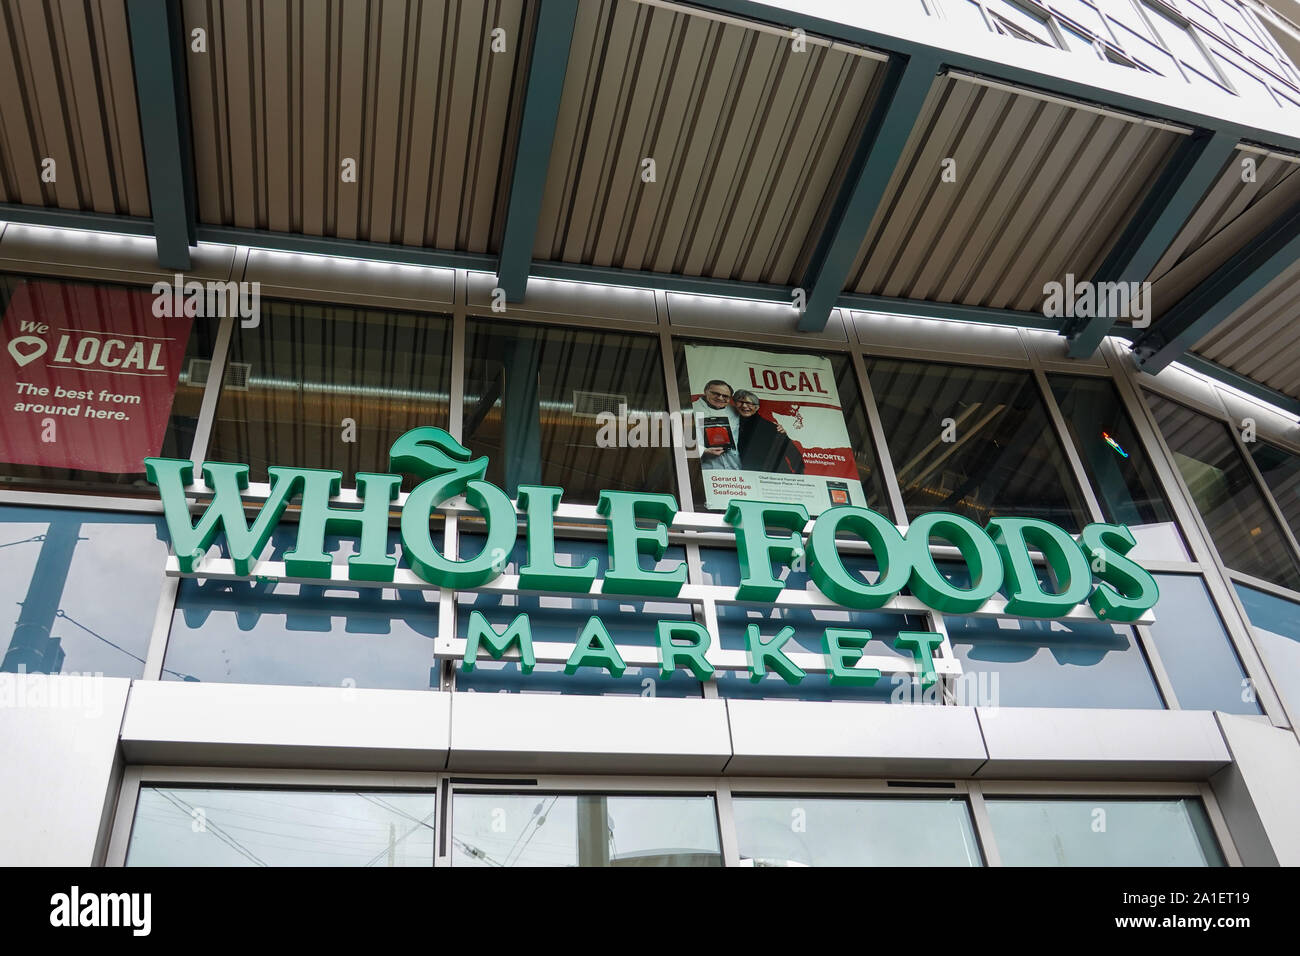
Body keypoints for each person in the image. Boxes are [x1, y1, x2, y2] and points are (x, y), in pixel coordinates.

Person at [733, 389, 805, 474]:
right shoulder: (732, 423)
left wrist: (799, 475)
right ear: (735, 404)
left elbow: (793, 453)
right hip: (744, 474)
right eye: (740, 402)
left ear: (757, 407)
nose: (744, 406)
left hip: (771, 475)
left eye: (749, 403)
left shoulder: (771, 427)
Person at [693, 379, 741, 470]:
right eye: (716, 393)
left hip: (734, 468)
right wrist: (703, 451)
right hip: (705, 469)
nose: (720, 398)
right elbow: (675, 443)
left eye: (725, 396)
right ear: (705, 391)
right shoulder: (690, 409)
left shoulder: (735, 411)